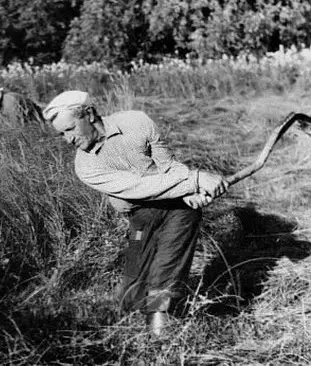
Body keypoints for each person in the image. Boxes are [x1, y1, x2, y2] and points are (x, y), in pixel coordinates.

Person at [42, 90, 228, 338]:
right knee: (131, 295)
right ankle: (146, 314)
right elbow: (139, 187)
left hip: (179, 207)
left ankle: (160, 335)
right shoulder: (85, 166)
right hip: (140, 215)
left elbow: (169, 166)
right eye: (62, 134)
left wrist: (189, 190)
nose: (67, 139)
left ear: (88, 114)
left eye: (69, 129)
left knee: (163, 274)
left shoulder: (136, 122)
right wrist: (193, 181)